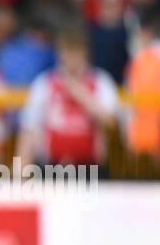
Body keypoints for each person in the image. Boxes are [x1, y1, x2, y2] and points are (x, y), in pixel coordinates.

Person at [17, 25, 119, 166]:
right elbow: (29, 128)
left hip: (90, 166)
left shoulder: (100, 81)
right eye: (66, 51)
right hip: (52, 166)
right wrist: (21, 167)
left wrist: (79, 92)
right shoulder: (45, 82)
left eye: (75, 51)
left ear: (85, 53)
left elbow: (110, 122)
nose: (71, 57)